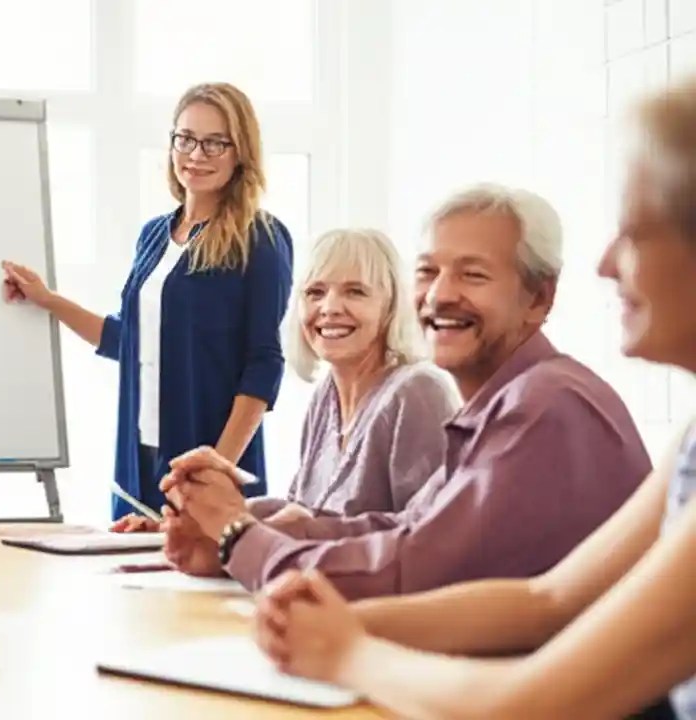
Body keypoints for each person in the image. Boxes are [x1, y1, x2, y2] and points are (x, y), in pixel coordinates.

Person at [251, 76, 696, 720]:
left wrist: (346, 650)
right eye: (429, 271)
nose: (604, 264)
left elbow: (527, 704)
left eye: (635, 232)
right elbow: (548, 599)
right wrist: (333, 620)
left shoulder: (550, 402)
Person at [159, 183, 652, 600]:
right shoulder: (501, 404)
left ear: (539, 299)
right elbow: (403, 532)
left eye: (473, 274)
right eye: (428, 272)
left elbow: (410, 569)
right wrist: (228, 533)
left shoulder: (547, 406)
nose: (439, 295)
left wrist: (238, 535)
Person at [1, 82, 294, 519]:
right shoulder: (154, 235)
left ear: (241, 152)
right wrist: (47, 300)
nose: (196, 155)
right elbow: (130, 340)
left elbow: (264, 363)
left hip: (207, 468)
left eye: (216, 143)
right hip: (138, 467)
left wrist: (217, 467)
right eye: (186, 138)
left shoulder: (261, 238)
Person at [111, 228, 458, 533]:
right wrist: (190, 526)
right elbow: (299, 510)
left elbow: (428, 538)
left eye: (355, 292)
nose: (330, 307)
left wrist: (235, 524)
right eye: (315, 292)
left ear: (392, 306)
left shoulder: (418, 392)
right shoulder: (328, 395)